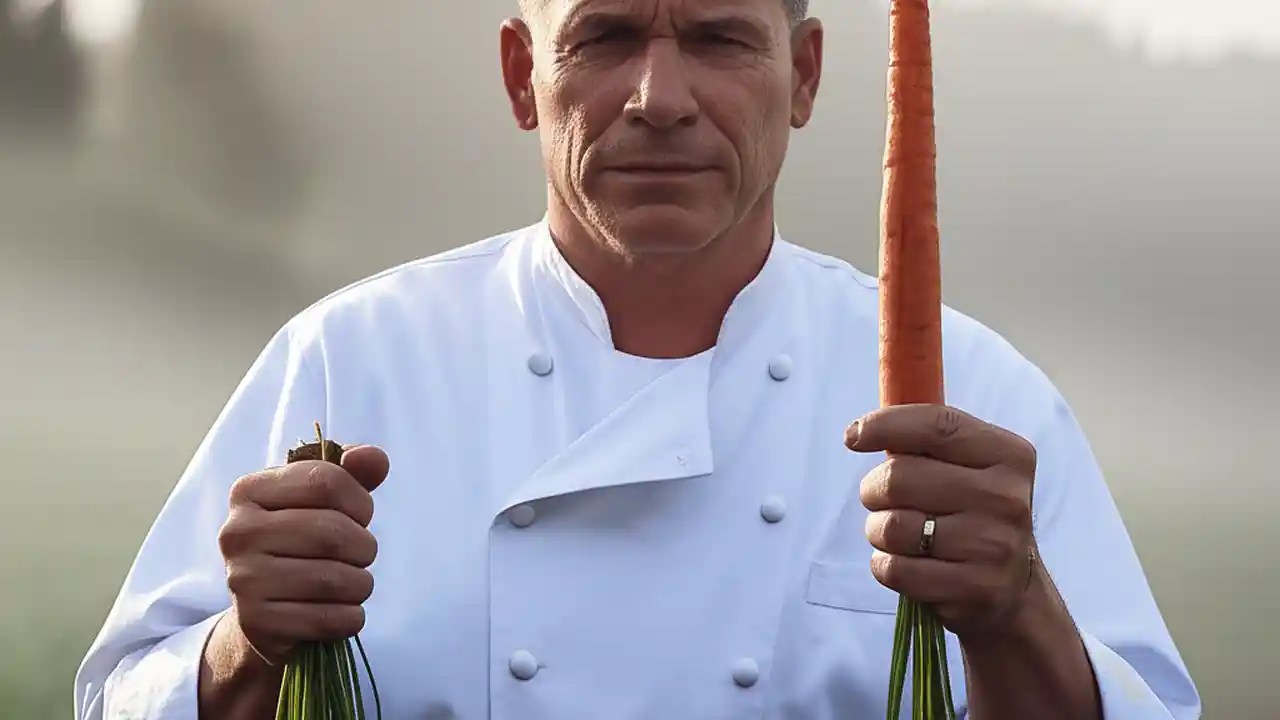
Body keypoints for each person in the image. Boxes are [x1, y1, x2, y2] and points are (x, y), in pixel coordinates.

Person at [74, 0, 1201, 717]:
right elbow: (122, 700)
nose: (660, 100)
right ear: (522, 75)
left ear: (805, 76)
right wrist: (244, 647)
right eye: (605, 36)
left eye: (718, 38)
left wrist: (1016, 616)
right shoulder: (349, 361)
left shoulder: (976, 401)